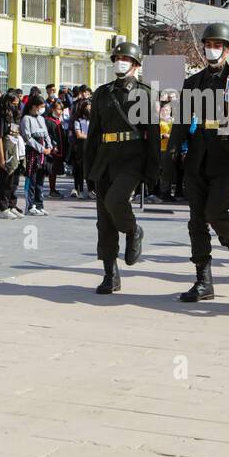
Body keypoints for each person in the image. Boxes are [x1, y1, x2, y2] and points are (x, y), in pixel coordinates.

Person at [171, 22, 229, 302]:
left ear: (228, 49)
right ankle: (203, 281)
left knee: (216, 213)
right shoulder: (192, 83)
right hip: (197, 158)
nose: (212, 49)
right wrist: (170, 155)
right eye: (208, 44)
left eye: (217, 45)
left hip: (226, 159)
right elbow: (181, 123)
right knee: (196, 221)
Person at [84, 41, 160, 294]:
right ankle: (110, 275)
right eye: (117, 57)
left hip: (132, 157)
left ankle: (132, 229)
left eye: (125, 58)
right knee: (104, 221)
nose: (120, 61)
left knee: (116, 201)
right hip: (105, 158)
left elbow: (152, 134)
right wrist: (87, 170)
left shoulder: (146, 92)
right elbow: (94, 133)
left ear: (136, 64)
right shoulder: (102, 93)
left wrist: (153, 170)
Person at [20, 95, 53, 216]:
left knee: (40, 180)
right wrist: (41, 148)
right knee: (32, 179)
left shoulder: (41, 118)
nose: (43, 109)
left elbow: (46, 135)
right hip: (33, 152)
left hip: (44, 153)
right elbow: (27, 137)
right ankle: (30, 206)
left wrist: (49, 147)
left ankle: (39, 204)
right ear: (34, 106)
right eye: (41, 106)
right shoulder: (26, 119)